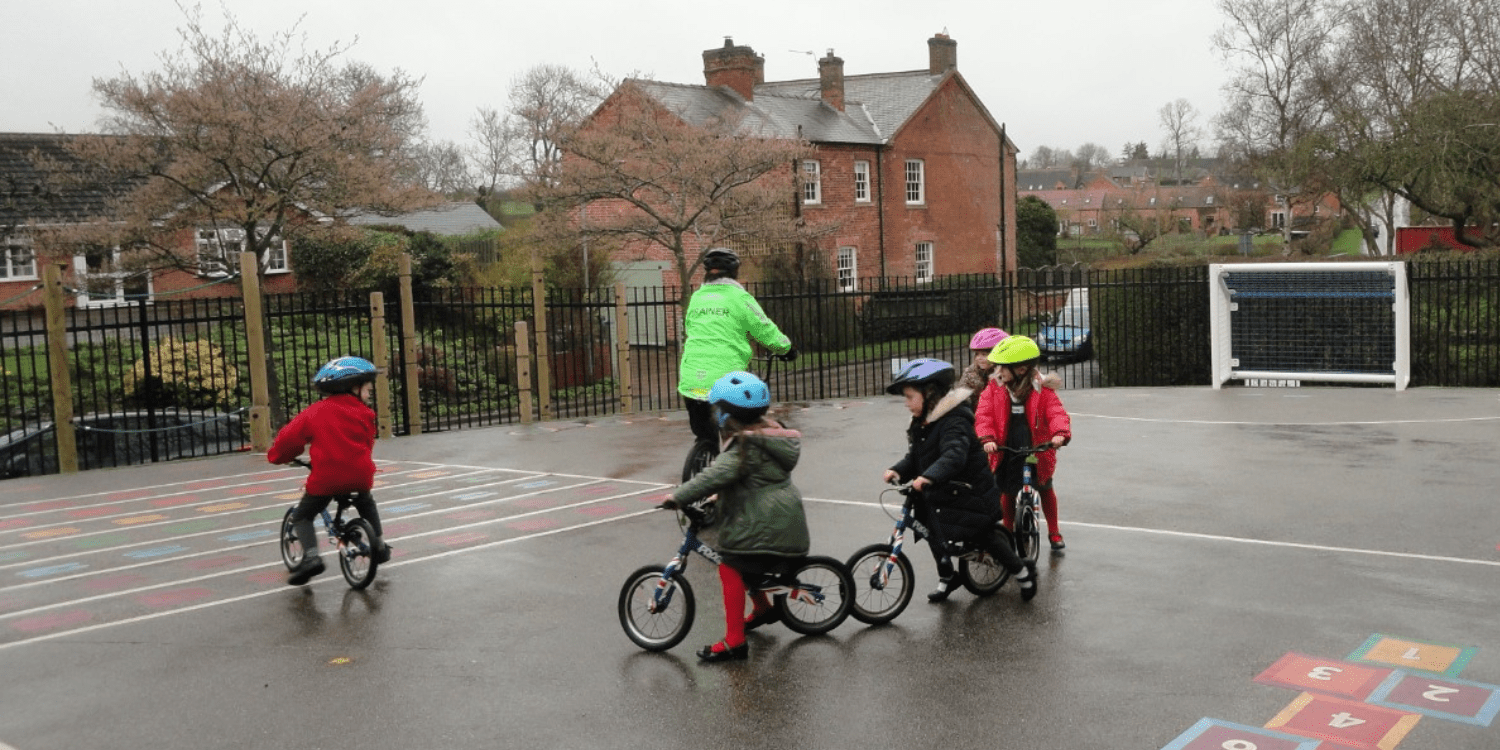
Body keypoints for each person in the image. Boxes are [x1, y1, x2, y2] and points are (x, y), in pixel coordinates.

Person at [669, 370, 809, 662]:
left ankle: (734, 642)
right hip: (783, 521)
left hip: (769, 527)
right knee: (740, 558)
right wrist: (720, 496)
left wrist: (678, 496)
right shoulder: (765, 439)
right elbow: (753, 478)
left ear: (724, 416)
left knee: (729, 565)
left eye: (717, 410)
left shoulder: (742, 448)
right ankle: (762, 609)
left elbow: (711, 476)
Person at [881, 358, 1037, 603]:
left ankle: (1022, 570)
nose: (906, 403)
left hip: (969, 493)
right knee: (931, 531)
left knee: (985, 537)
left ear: (929, 394)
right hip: (941, 491)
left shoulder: (955, 419)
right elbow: (915, 457)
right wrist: (897, 470)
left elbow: (954, 455)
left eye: (910, 397)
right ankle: (947, 577)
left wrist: (928, 476)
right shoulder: (922, 422)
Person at [269, 356, 392, 586]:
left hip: (327, 479)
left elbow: (288, 440)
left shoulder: (315, 412)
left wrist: (278, 457)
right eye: (366, 389)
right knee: (366, 502)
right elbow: (366, 443)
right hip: (361, 475)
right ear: (352, 388)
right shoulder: (366, 414)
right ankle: (380, 546)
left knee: (303, 515)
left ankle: (312, 558)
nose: (368, 394)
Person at [677, 247, 796, 479]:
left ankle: (703, 463)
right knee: (740, 433)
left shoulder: (697, 297)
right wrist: (787, 349)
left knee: (706, 436)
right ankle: (736, 476)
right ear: (734, 272)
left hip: (691, 378)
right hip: (725, 380)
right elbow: (765, 330)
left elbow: (691, 328)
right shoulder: (740, 298)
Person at [975, 336, 1072, 552]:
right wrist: (988, 438)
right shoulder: (994, 388)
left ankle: (1054, 531)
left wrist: (1059, 434)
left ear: (1021, 369)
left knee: (1045, 487)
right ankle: (1008, 529)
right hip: (1006, 447)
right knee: (1007, 490)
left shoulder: (1042, 390)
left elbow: (1056, 412)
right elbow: (984, 415)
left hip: (1036, 447)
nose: (999, 371)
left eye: (1004, 367)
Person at [958, 327, 1009, 412]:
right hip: (978, 417)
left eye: (984, 354)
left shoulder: (1007, 373)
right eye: (977, 354)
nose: (979, 358)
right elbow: (962, 395)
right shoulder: (971, 373)